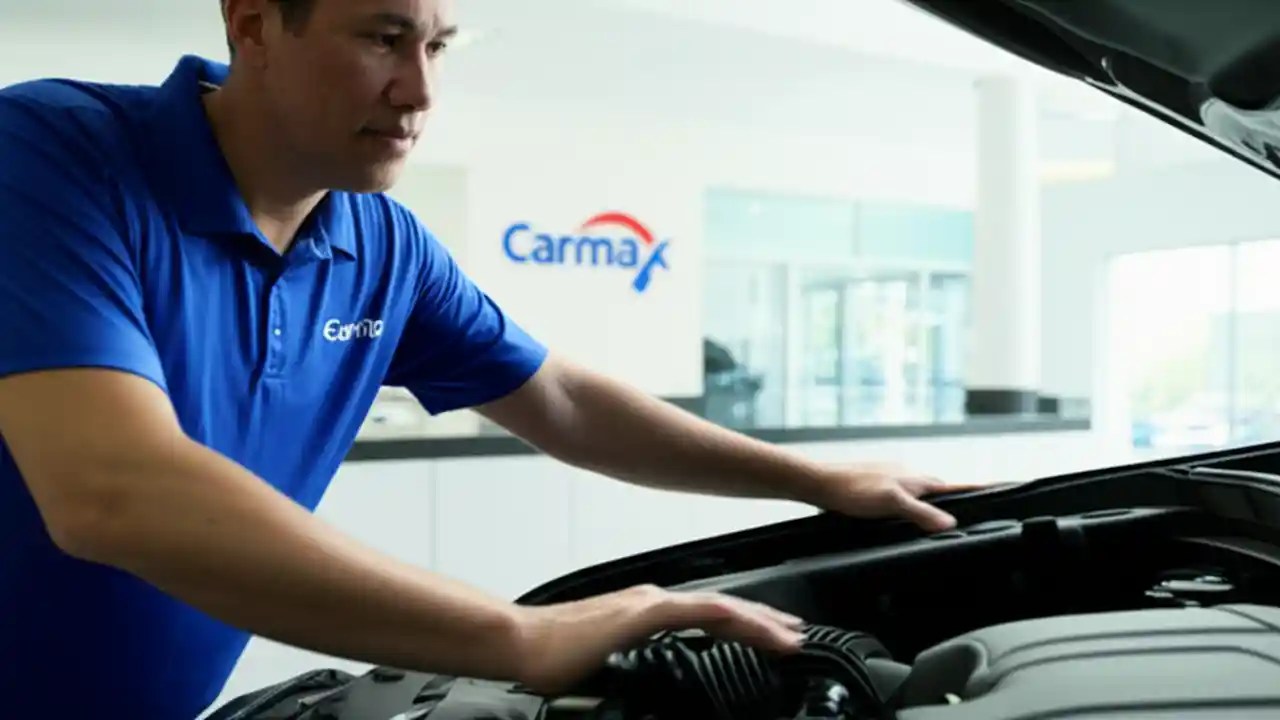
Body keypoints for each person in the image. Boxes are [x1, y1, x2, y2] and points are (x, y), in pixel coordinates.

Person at [0, 0, 961, 717]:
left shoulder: (381, 243)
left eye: (437, 45)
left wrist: (816, 481)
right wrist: (523, 636)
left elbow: (560, 400)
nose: (419, 91)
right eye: (381, 37)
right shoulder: (51, 150)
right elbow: (110, 490)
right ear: (253, 22)